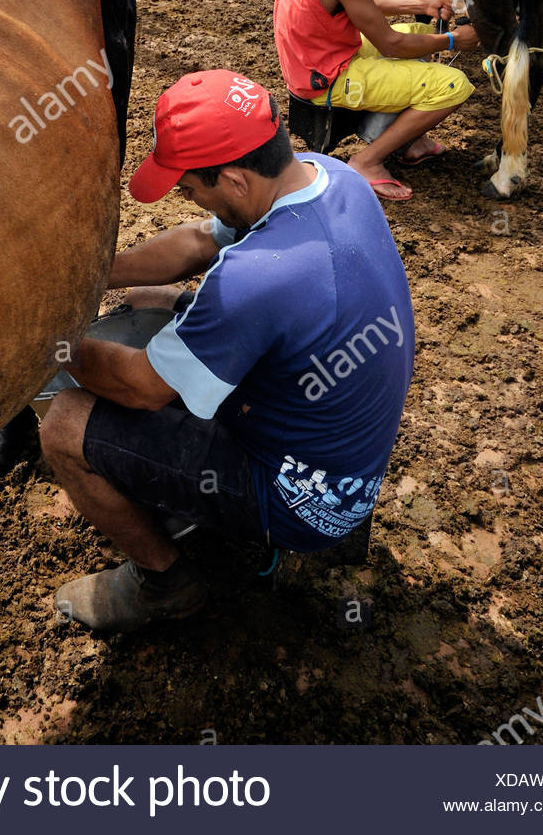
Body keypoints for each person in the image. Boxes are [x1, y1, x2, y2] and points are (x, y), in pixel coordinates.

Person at [39, 69, 415, 632]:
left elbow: (140, 388)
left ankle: (166, 582)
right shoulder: (332, 177)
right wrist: (93, 276)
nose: (185, 196)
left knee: (64, 424)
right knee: (162, 300)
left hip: (301, 500)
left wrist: (47, 336)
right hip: (350, 464)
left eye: (190, 185)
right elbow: (196, 242)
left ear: (236, 180)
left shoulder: (256, 278)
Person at [273, 0, 481, 202]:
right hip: (325, 77)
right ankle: (366, 162)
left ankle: (412, 140)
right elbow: (391, 45)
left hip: (311, 58)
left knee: (421, 34)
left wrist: (420, 4)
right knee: (454, 84)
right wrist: (453, 40)